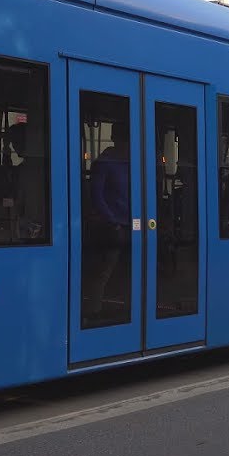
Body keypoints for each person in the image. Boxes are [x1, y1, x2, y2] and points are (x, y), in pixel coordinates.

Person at [83, 124, 130, 318]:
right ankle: (94, 311)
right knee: (104, 271)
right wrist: (112, 221)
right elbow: (96, 196)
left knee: (125, 271)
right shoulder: (106, 162)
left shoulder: (132, 161)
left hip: (134, 225)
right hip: (113, 226)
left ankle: (126, 309)